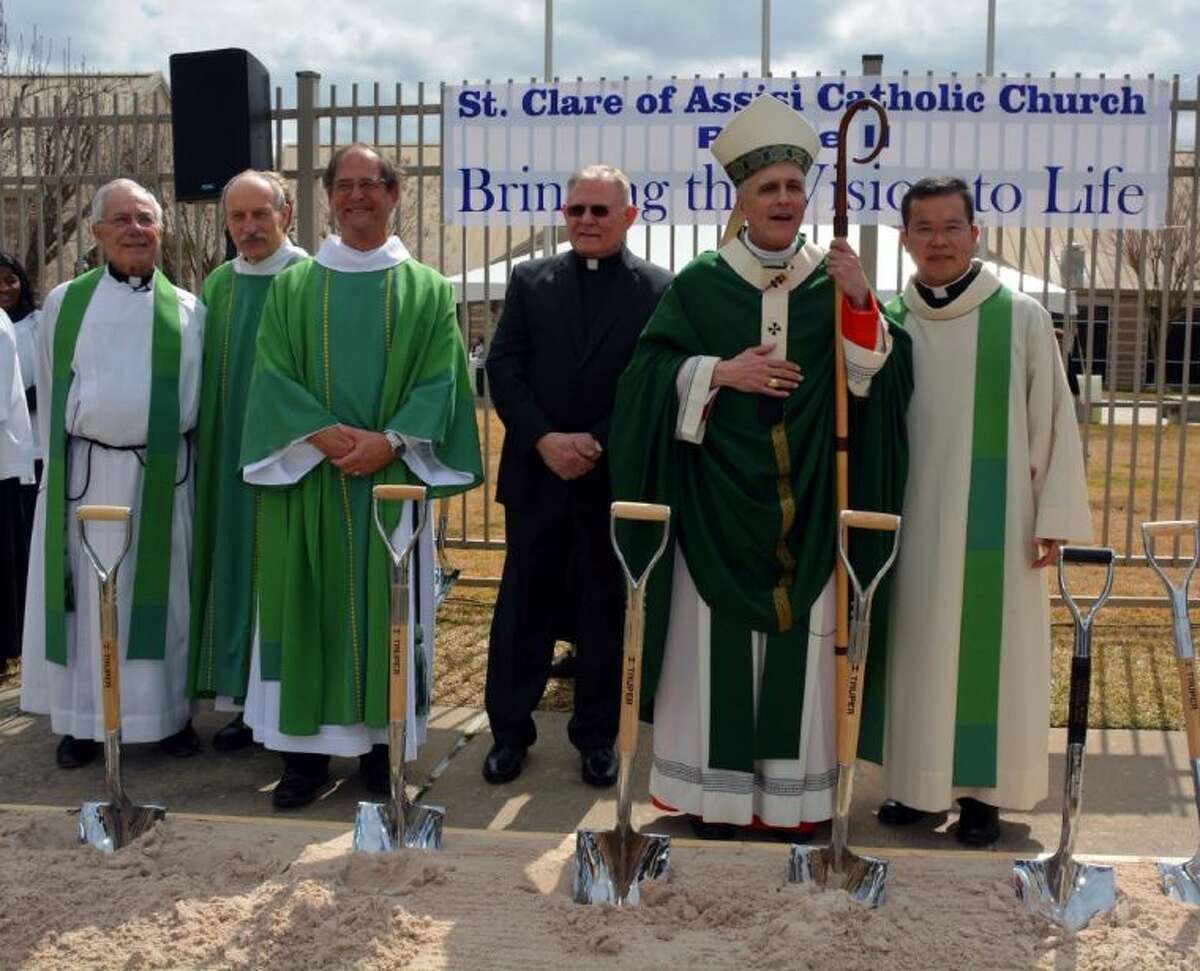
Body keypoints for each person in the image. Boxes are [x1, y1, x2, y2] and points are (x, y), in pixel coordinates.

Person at [609, 95, 912, 838]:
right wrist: (718, 372)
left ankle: (792, 801)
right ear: (740, 199)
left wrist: (861, 301)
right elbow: (646, 379)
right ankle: (714, 799)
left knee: (799, 651)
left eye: (792, 187)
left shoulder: (827, 280)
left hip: (808, 506)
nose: (782, 199)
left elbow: (878, 378)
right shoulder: (704, 283)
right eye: (767, 187)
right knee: (713, 649)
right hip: (715, 507)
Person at [239, 144, 483, 809]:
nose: (355, 197)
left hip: (391, 483)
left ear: (393, 192)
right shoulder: (294, 284)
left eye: (368, 184)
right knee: (303, 604)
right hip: (310, 481)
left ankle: (383, 749)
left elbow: (443, 377)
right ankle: (303, 762)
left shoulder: (427, 288)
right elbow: (273, 374)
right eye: (342, 186)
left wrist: (391, 440)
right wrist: (322, 434)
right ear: (328, 197)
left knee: (391, 612)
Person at [862, 176, 1091, 845]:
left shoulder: (1016, 316)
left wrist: (1052, 515)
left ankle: (982, 795)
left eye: (951, 226)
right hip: (910, 514)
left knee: (988, 658)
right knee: (913, 650)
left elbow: (1053, 418)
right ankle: (913, 783)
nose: (938, 240)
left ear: (975, 233)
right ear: (905, 239)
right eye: (924, 228)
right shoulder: (888, 322)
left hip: (997, 521)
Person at [483, 164, 672, 787]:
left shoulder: (657, 288)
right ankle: (509, 732)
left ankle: (596, 736)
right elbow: (504, 366)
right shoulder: (530, 279)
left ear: (629, 216)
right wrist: (544, 438)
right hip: (537, 474)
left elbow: (652, 381)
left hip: (608, 477)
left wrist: (596, 441)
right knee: (522, 609)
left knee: (604, 610)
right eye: (576, 211)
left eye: (599, 211)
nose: (586, 221)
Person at [20, 178, 205, 767]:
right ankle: (83, 722)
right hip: (89, 474)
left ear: (161, 230)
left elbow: (196, 400)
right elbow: (52, 389)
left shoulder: (187, 309)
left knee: (165, 597)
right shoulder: (65, 302)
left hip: (161, 476)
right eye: (120, 219)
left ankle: (167, 718)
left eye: (145, 219)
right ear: (98, 233)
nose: (134, 229)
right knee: (88, 599)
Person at [186, 170, 307, 751]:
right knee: (237, 574)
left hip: (295, 463)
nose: (250, 227)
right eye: (238, 217)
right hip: (230, 461)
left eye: (262, 214)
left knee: (284, 581)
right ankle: (241, 704)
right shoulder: (217, 286)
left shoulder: (311, 279)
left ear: (287, 213)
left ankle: (287, 704)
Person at [0, 251, 39, 676]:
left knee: (20, 551)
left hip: (28, 452)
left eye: (11, 280)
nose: (6, 289)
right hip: (11, 449)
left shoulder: (37, 323)